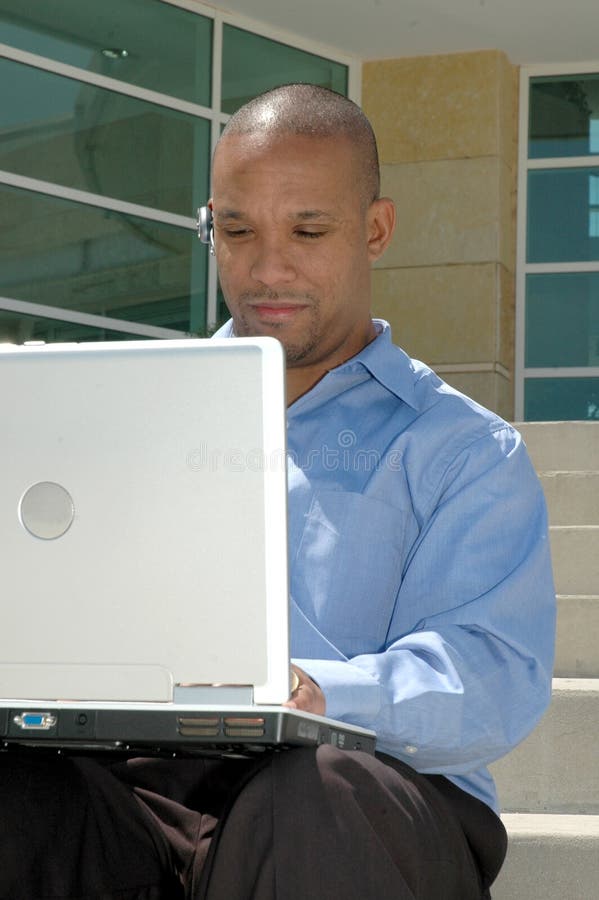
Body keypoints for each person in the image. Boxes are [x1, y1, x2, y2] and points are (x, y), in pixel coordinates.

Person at [0, 84, 555, 899]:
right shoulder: (110, 420)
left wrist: (320, 693)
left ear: (375, 230)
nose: (266, 268)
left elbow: (493, 677)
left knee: (315, 791)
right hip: (132, 790)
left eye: (307, 231)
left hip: (359, 799)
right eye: (236, 231)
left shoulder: (463, 451)